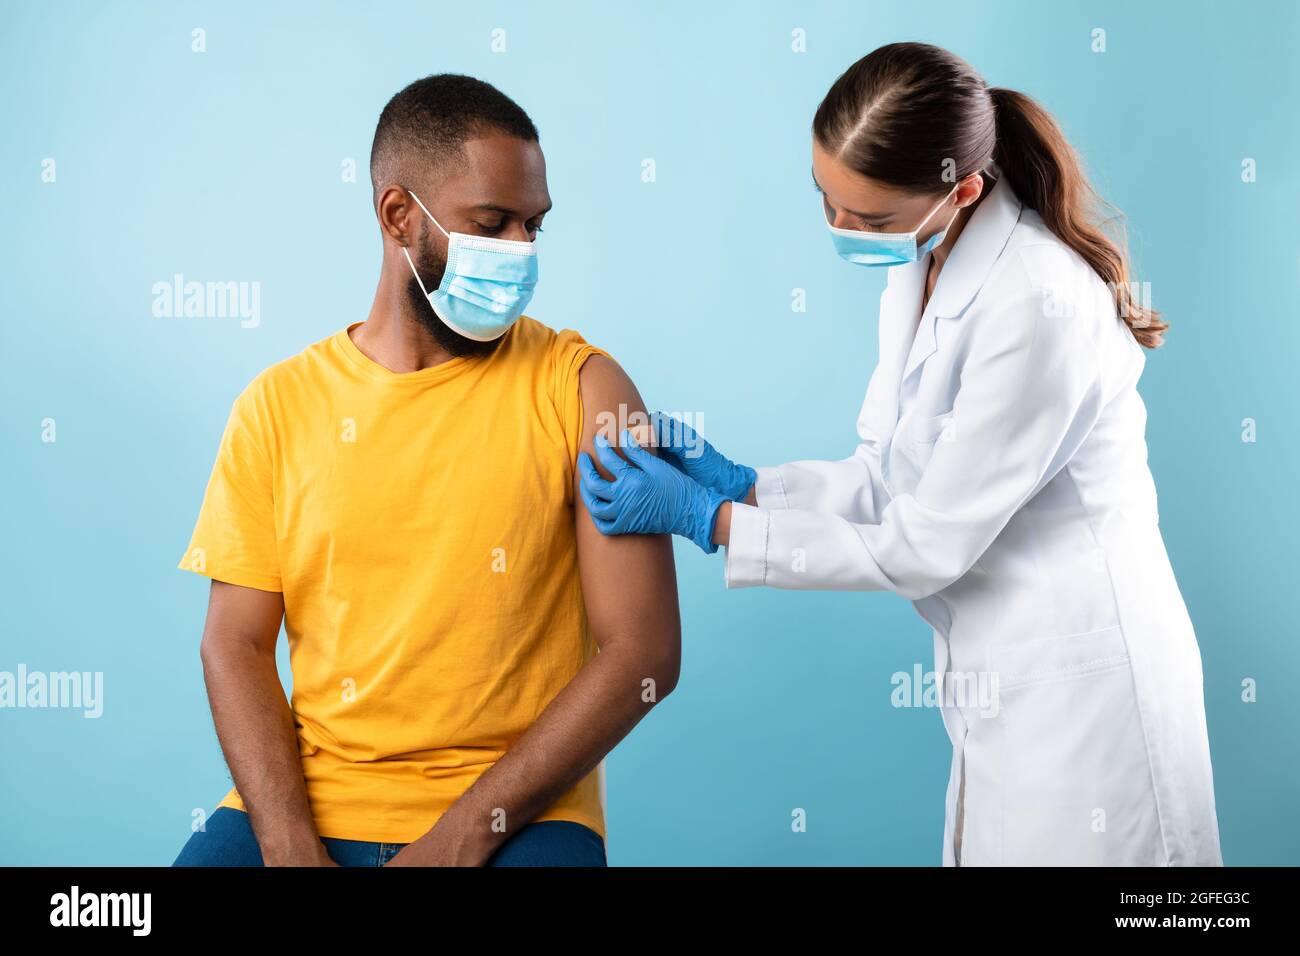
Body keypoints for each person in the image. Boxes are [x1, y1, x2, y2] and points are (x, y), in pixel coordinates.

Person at [580, 42, 1222, 866]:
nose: (843, 232)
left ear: (961, 189)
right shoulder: (921, 255)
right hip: (1000, 685)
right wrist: (750, 485)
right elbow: (888, 473)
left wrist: (716, 523)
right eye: (828, 202)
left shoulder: (1038, 304)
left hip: (1089, 692)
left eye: (869, 219)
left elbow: (927, 545)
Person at [173, 74, 680, 867]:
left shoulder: (585, 389)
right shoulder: (275, 408)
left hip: (522, 816)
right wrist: (284, 840)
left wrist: (460, 838)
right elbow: (233, 645)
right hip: (306, 801)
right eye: (492, 223)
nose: (521, 250)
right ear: (399, 215)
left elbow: (644, 652)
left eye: (533, 226)